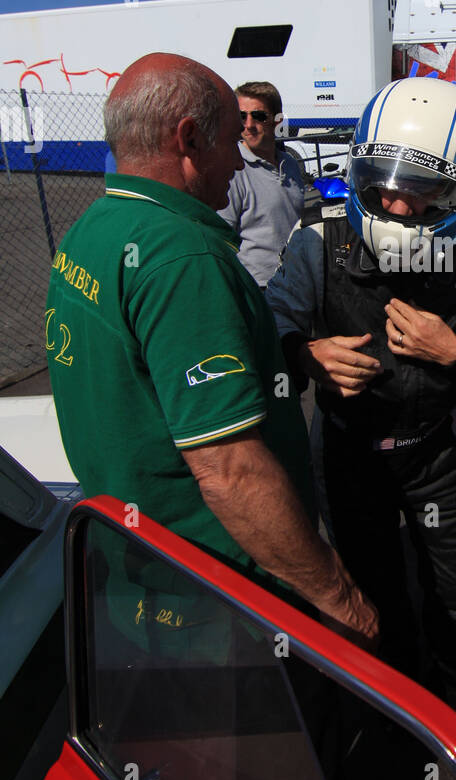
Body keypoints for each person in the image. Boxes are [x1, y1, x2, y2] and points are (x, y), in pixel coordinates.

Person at [45, 53, 378, 653]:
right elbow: (232, 471)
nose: (238, 161)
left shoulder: (91, 227)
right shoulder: (184, 258)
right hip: (216, 593)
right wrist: (339, 599)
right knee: (262, 741)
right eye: (230, 139)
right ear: (190, 139)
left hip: (136, 569)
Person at [266, 77, 456, 753]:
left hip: (433, 448)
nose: (390, 201)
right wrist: (305, 355)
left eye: (415, 188)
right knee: (370, 583)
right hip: (347, 447)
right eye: (378, 180)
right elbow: (268, 322)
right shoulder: (320, 240)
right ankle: (386, 700)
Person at [217, 81, 305, 289]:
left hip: (295, 281)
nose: (248, 124)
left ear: (277, 121)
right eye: (242, 116)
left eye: (258, 116)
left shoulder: (290, 164)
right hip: (256, 288)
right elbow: (221, 239)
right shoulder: (232, 169)